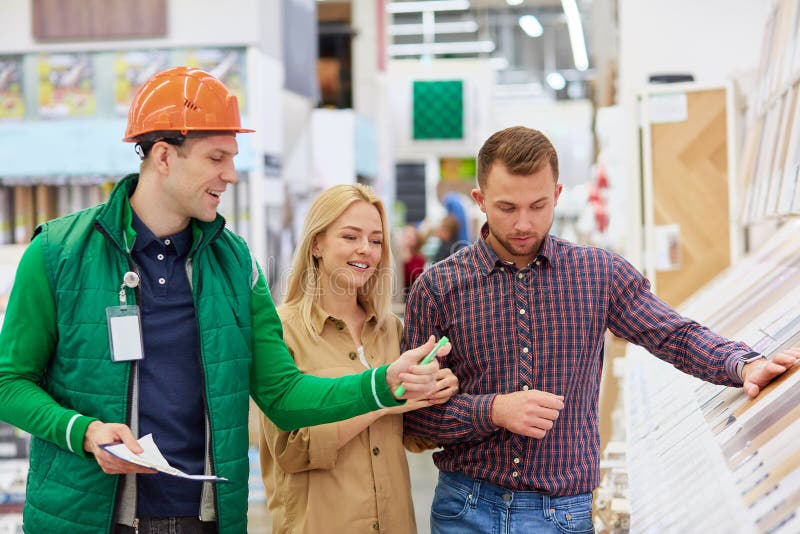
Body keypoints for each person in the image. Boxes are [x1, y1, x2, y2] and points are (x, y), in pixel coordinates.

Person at [0, 67, 442, 534]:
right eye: (216, 157)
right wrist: (84, 432)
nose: (230, 174)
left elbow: (283, 395)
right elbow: (9, 382)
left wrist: (382, 382)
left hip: (204, 518)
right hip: (85, 519)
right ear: (164, 156)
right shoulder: (58, 253)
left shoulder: (235, 264)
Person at [402, 126, 800, 534]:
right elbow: (414, 422)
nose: (524, 223)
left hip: (561, 515)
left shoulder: (597, 274)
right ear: (480, 201)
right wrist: (493, 411)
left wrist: (743, 364)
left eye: (538, 205)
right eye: (507, 208)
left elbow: (673, 334)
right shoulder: (438, 289)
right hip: (465, 509)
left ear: (557, 195)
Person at [258, 184, 457, 533]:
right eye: (350, 237)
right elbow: (292, 450)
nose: (366, 250)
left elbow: (414, 437)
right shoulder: (280, 330)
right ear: (316, 244)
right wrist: (384, 397)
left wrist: (436, 391)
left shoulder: (390, 330)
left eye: (376, 240)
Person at [401, 224, 426, 298]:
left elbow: (414, 277)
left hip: (411, 296)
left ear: (415, 241)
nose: (404, 239)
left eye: (409, 237)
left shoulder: (419, 259)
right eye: (404, 235)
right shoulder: (395, 255)